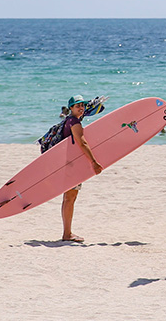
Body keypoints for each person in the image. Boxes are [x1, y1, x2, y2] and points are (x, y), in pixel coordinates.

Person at [59, 95, 103, 243]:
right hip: (72, 166)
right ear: (70, 108)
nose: (81, 107)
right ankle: (67, 233)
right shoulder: (74, 122)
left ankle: (67, 232)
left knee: (69, 198)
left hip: (68, 164)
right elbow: (82, 143)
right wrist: (94, 162)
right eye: (77, 105)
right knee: (70, 198)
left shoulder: (68, 120)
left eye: (82, 105)